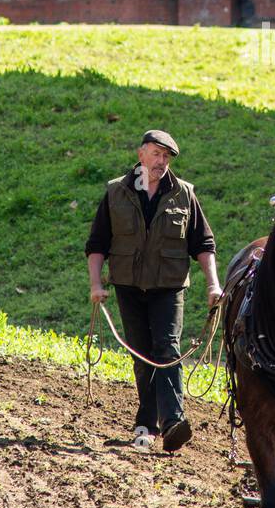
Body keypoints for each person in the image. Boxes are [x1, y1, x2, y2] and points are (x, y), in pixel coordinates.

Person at [85, 129, 222, 452]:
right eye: (156, 154)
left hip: (168, 287)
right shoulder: (116, 192)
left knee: (168, 349)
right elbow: (97, 243)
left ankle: (173, 421)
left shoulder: (184, 194)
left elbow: (203, 243)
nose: (162, 162)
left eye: (166, 157)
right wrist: (95, 283)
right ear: (141, 154)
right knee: (141, 355)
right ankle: (146, 424)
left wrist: (213, 283)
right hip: (128, 286)